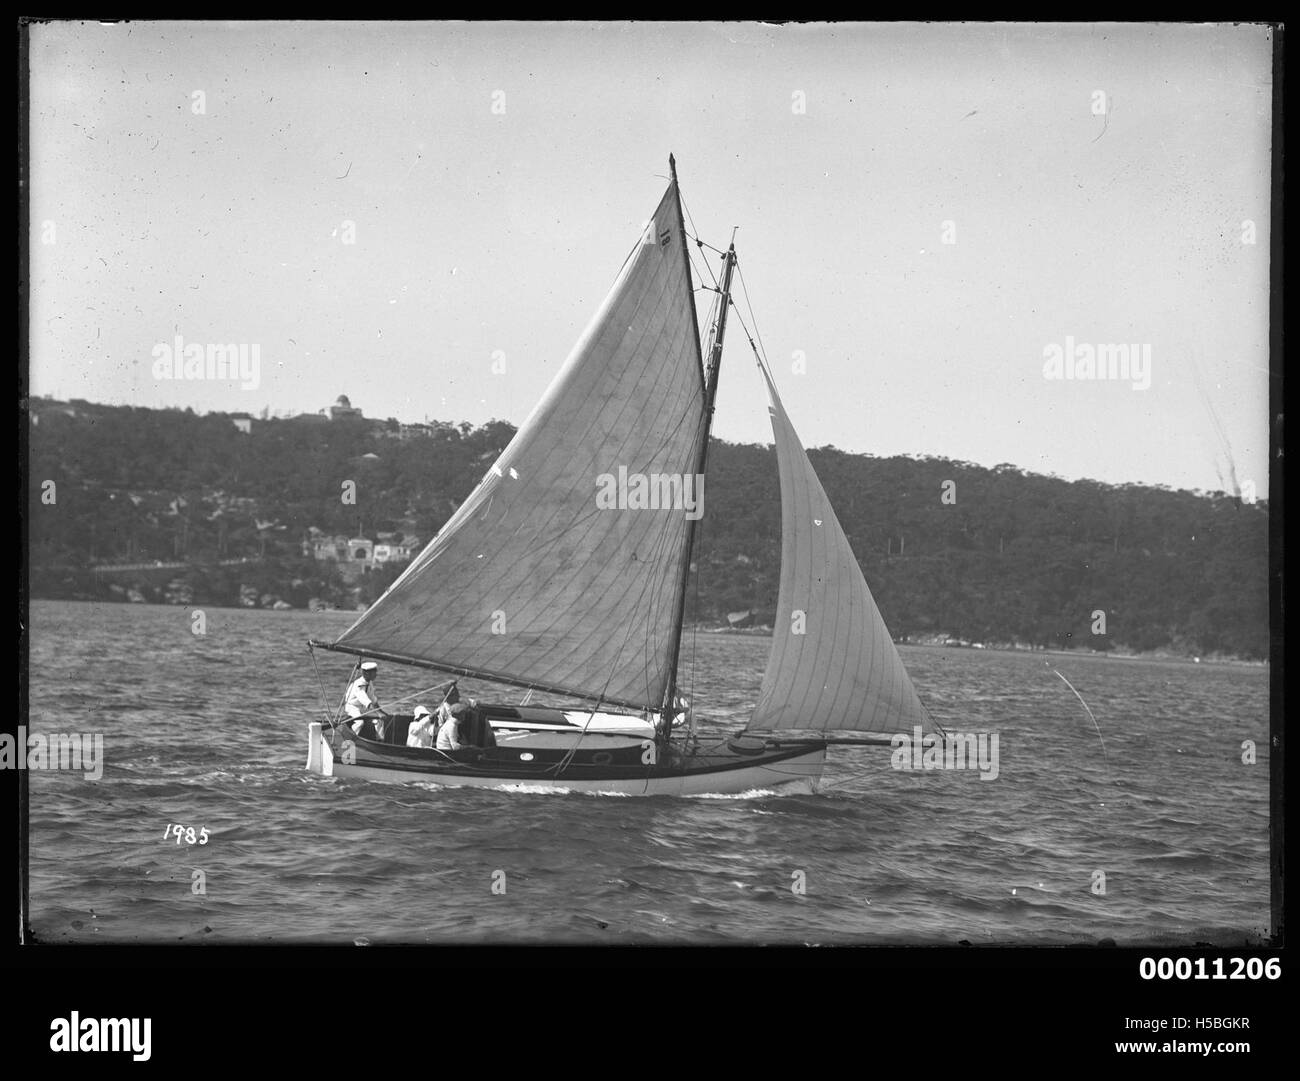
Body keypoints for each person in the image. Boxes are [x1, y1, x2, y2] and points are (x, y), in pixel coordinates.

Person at [344, 661, 390, 740]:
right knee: (360, 722)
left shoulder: (369, 683)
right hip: (352, 707)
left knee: (378, 721)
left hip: (363, 708)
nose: (376, 674)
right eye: (374, 672)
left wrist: (382, 712)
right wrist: (378, 713)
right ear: (366, 673)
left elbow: (373, 701)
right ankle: (352, 738)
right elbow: (367, 703)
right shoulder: (358, 685)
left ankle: (379, 740)